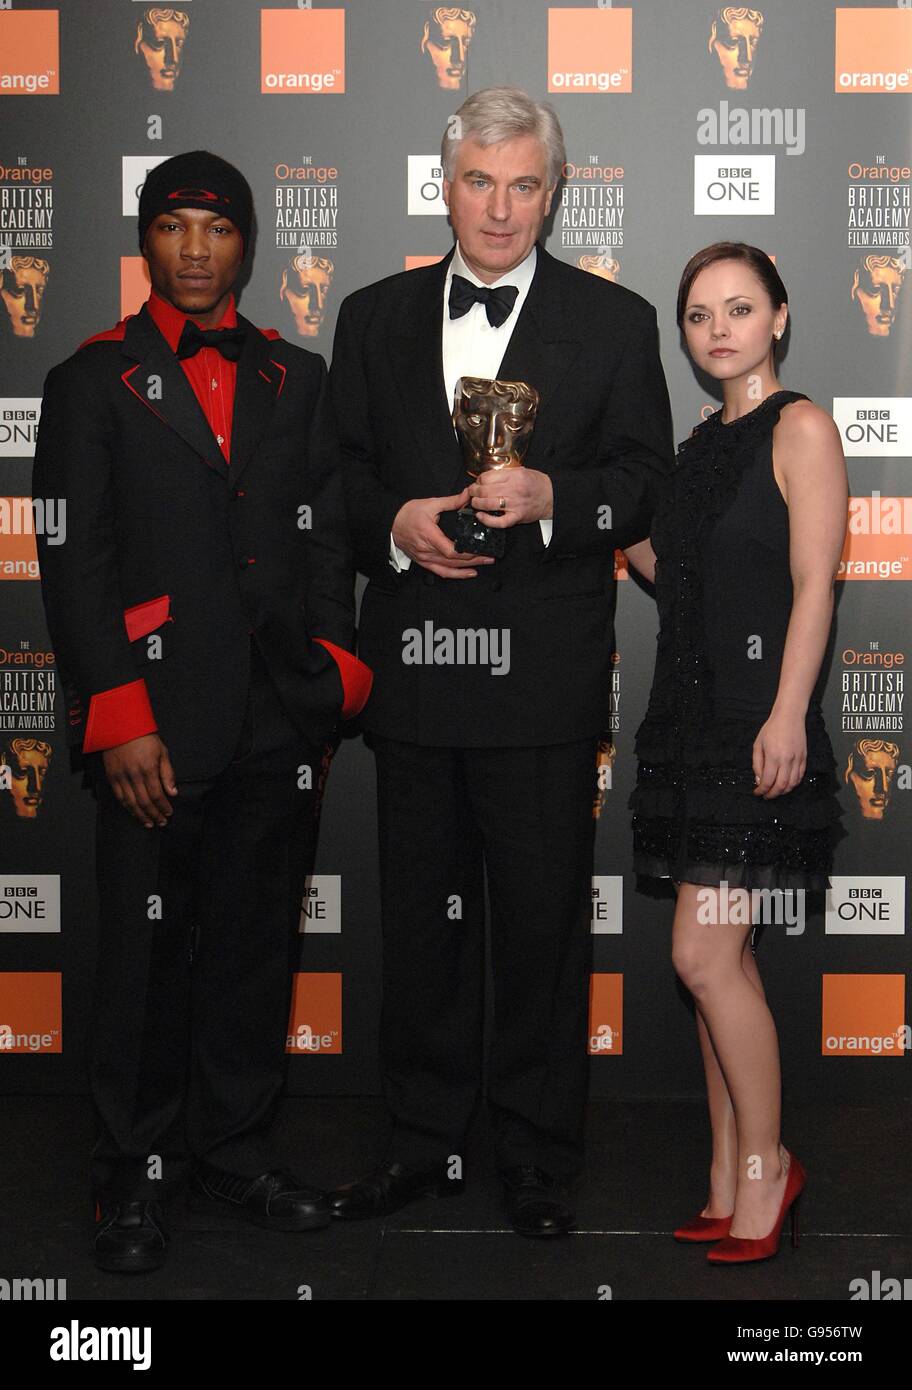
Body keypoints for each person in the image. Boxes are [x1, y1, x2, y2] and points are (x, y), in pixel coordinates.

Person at [324, 87, 674, 1237]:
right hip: (419, 670)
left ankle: (534, 1154)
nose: (502, 207)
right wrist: (397, 528)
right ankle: (424, 1143)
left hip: (540, 682)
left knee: (539, 930)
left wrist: (558, 499)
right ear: (446, 184)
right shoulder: (371, 317)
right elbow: (334, 483)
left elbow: (647, 482)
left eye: (526, 183)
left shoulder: (614, 324)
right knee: (419, 929)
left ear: (554, 191)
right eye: (481, 180)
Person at [31, 150, 371, 1273]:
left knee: (251, 955)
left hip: (279, 720)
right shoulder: (89, 383)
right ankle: (131, 1174)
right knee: (142, 962)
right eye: (171, 226)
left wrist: (330, 668)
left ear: (246, 246)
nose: (192, 249)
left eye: (214, 229)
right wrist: (117, 715)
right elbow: (74, 566)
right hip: (153, 731)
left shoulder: (297, 377)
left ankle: (231, 1150)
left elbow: (325, 530)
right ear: (145, 241)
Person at [625, 241, 848, 1263]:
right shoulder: (694, 448)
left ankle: (769, 1167)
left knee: (701, 956)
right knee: (729, 965)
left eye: (740, 308)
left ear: (781, 318)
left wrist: (791, 711)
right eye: (700, 314)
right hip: (691, 727)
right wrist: (595, 512)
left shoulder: (800, 427)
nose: (719, 329)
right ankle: (725, 1169)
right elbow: (676, 574)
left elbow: (816, 586)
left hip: (761, 724)